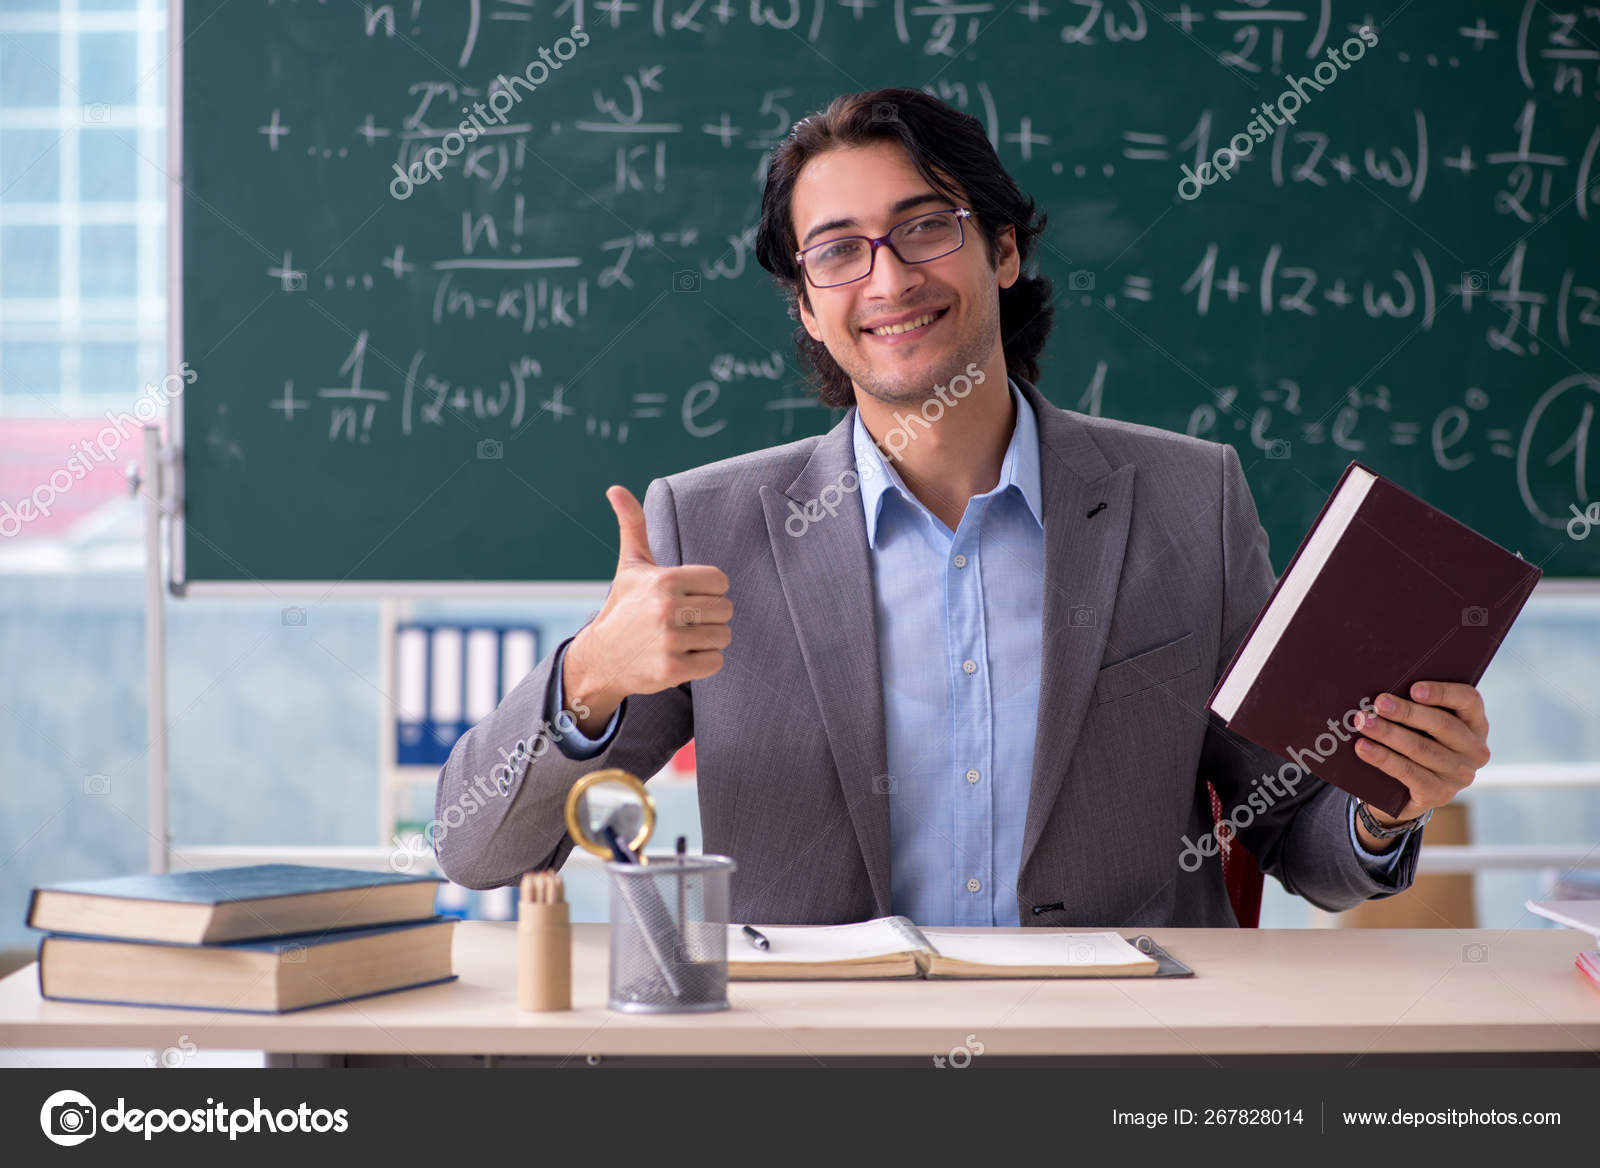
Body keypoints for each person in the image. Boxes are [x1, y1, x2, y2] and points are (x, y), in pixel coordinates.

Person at [432, 87, 1491, 927]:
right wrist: (590, 675)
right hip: (823, 1073)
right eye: (836, 250)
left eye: (925, 228)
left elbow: (1297, 835)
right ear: (806, 306)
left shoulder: (1188, 499)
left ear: (1003, 250)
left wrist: (1385, 803)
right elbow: (476, 852)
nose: (888, 279)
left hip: (1118, 1064)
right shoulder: (707, 530)